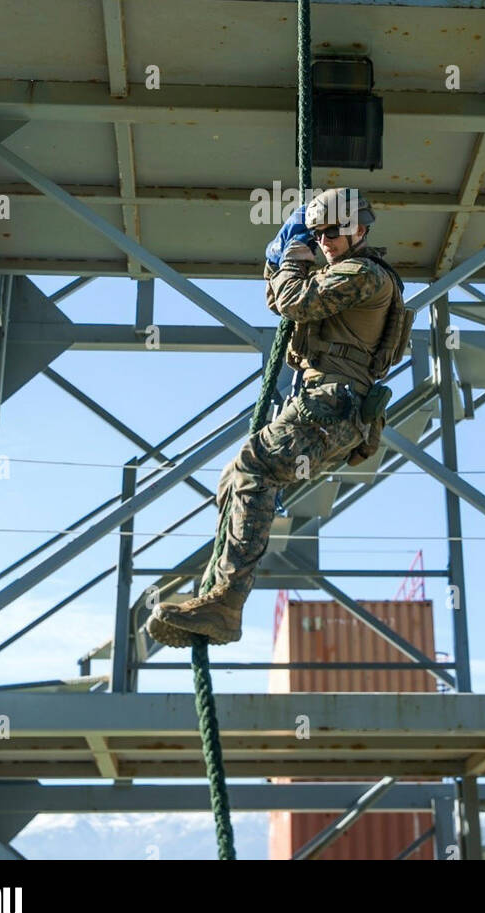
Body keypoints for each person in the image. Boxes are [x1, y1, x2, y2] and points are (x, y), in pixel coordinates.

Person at [147, 187, 411, 646]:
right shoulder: (340, 272)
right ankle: (220, 597)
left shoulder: (364, 275)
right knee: (236, 476)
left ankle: (225, 604)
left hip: (332, 403)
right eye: (320, 233)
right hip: (329, 405)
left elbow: (295, 303)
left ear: (361, 231)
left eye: (334, 232)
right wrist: (283, 262)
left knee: (254, 471)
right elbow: (283, 299)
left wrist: (290, 259)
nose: (326, 241)